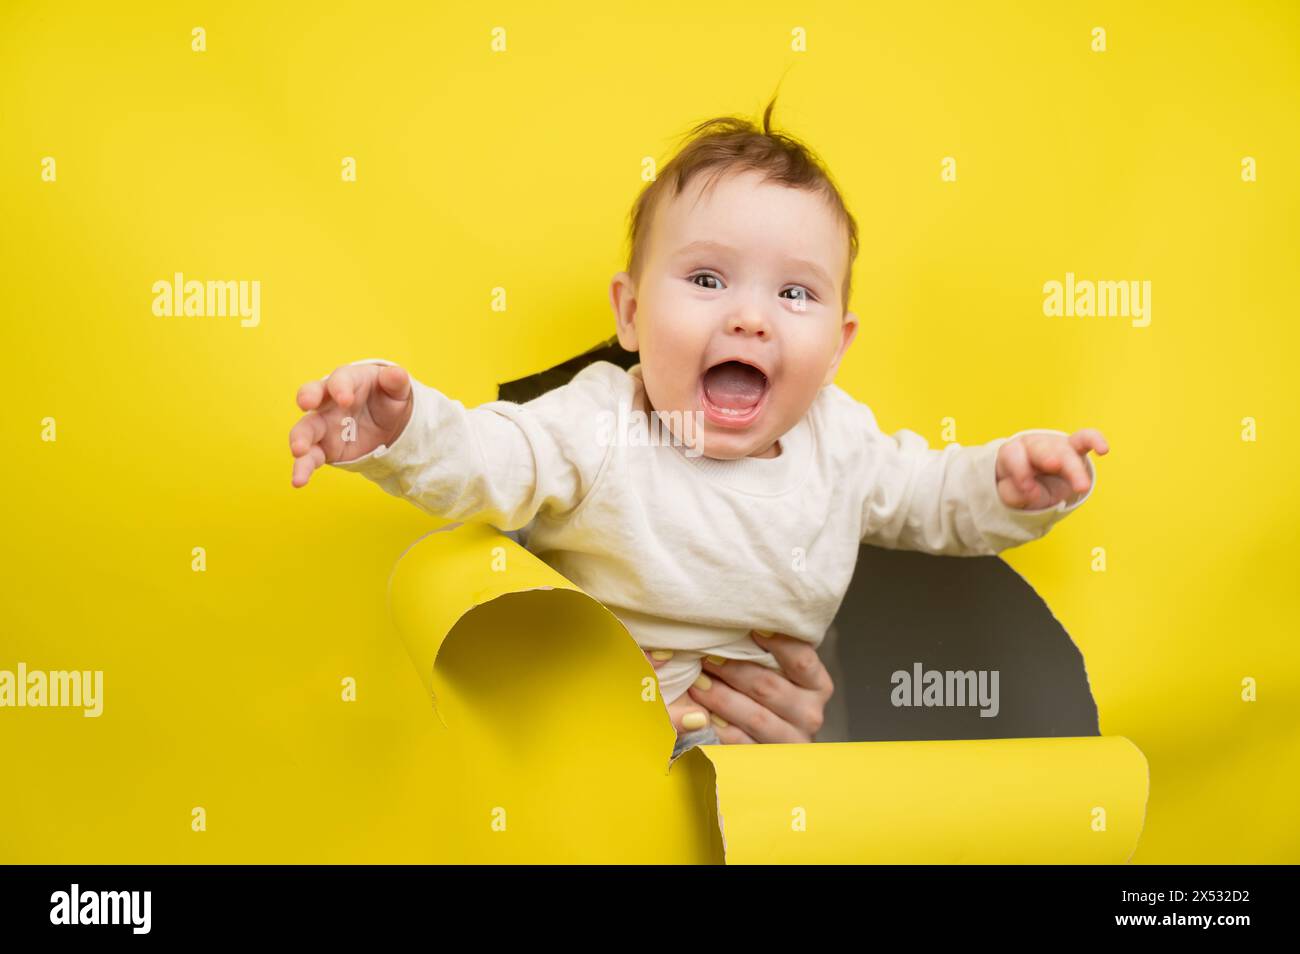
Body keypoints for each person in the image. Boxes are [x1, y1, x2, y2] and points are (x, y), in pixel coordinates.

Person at [287, 96, 1108, 757]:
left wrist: (1009, 483)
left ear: (836, 349)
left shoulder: (842, 442)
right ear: (633, 313)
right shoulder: (602, 419)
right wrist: (400, 428)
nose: (751, 318)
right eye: (708, 278)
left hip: (772, 760)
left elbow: (931, 497)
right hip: (608, 746)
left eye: (796, 294)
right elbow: (495, 456)